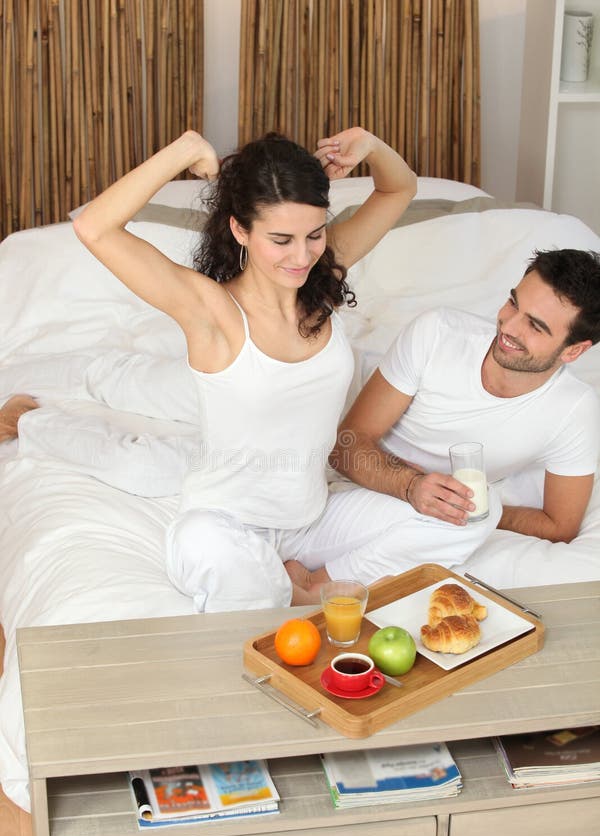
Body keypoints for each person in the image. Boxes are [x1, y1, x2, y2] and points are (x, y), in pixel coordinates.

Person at [44, 127, 417, 612]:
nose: (301, 257)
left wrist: (371, 145)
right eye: (281, 240)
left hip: (311, 520)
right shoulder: (211, 311)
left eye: (315, 234)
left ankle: (299, 583)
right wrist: (182, 151)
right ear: (241, 229)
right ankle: (294, 593)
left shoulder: (321, 284)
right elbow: (94, 227)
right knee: (208, 548)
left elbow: (400, 188)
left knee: (456, 516)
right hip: (225, 526)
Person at [284, 248, 600, 600]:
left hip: (430, 526)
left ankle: (319, 582)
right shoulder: (438, 334)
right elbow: (344, 449)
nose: (508, 326)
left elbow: (560, 526)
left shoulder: (574, 409)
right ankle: (317, 587)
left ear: (573, 351)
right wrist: (411, 486)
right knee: (481, 508)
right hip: (350, 500)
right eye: (513, 303)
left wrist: (455, 504)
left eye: (535, 326)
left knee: (484, 506)